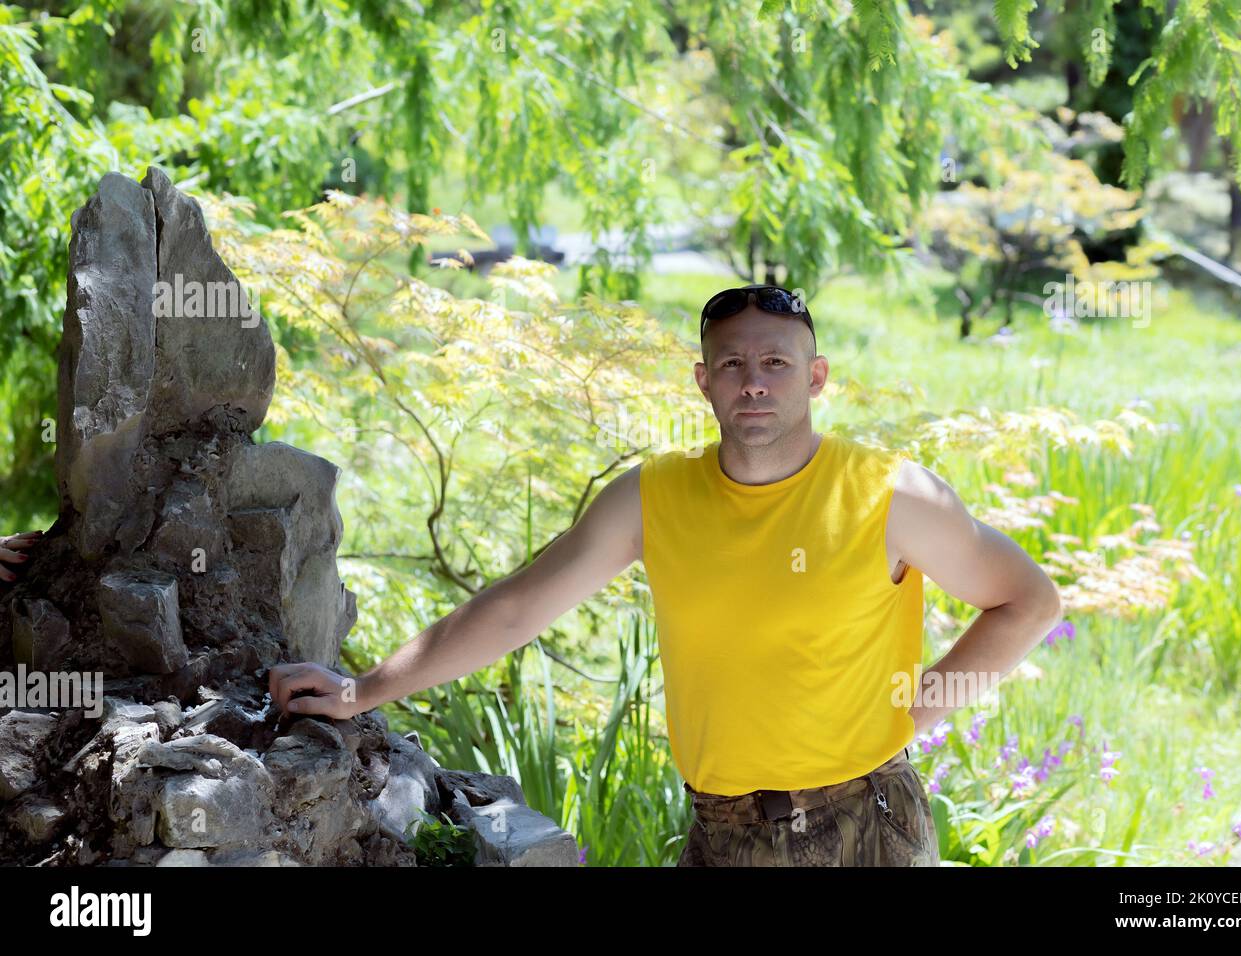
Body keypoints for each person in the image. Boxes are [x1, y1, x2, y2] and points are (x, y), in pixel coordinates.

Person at [269, 283, 1062, 866]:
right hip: (719, 833)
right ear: (704, 379)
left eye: (777, 363)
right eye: (734, 364)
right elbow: (516, 610)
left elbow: (1027, 601)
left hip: (867, 827)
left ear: (815, 378)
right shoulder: (653, 498)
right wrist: (360, 691)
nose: (755, 381)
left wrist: (912, 715)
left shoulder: (889, 495)